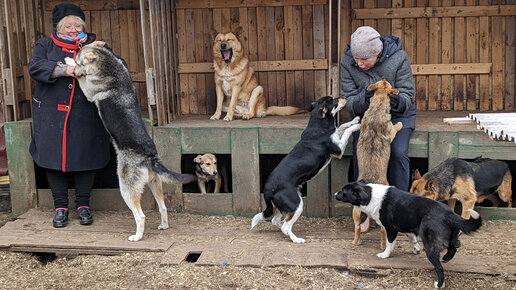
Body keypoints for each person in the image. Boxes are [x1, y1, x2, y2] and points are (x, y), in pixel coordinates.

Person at [28, 3, 111, 228]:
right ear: (59, 27)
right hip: (51, 115)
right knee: (53, 160)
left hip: (85, 113)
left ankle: (83, 206)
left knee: (86, 158)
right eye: (68, 25)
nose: (74, 29)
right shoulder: (46, 45)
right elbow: (36, 67)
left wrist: (92, 60)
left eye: (78, 24)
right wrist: (67, 70)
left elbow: (110, 69)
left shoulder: (96, 45)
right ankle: (60, 208)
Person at [340, 26, 416, 192]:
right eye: (356, 57)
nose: (359, 63)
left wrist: (395, 100)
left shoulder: (399, 57)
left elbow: (408, 95)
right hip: (366, 116)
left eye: (364, 58)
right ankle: (362, 201)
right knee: (362, 152)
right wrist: (365, 98)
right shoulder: (347, 62)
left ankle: (399, 201)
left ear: (377, 52)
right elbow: (349, 100)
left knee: (398, 152)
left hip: (397, 116)